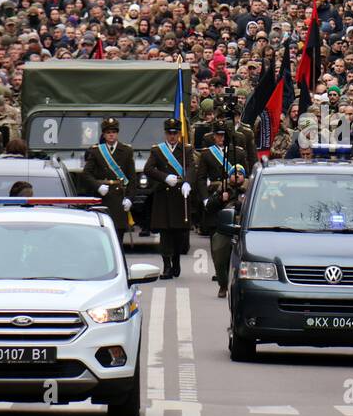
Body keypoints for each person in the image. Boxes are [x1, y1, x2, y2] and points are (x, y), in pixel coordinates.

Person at [143, 118, 197, 279]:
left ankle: (176, 259)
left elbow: (191, 167)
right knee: (165, 233)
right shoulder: (157, 150)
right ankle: (166, 266)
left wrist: (187, 182)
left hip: (180, 195)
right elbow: (148, 169)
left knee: (179, 233)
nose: (172, 136)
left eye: (175, 133)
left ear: (179, 134)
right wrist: (164, 177)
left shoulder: (186, 149)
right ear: (165, 134)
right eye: (169, 133)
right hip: (164, 195)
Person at [83, 117, 138, 244]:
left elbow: (132, 178)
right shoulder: (96, 151)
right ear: (104, 134)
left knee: (118, 238)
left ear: (117, 133)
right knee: (102, 236)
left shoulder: (126, 151)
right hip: (103, 197)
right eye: (108, 132)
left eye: (113, 132)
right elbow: (86, 174)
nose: (111, 134)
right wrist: (97, 186)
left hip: (120, 199)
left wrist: (130, 198)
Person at [204, 164, 247, 297]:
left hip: (244, 229)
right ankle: (223, 284)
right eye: (234, 173)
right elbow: (209, 207)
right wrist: (220, 199)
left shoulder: (250, 188)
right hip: (225, 228)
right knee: (219, 256)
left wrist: (243, 204)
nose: (237, 176)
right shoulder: (222, 187)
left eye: (240, 174)